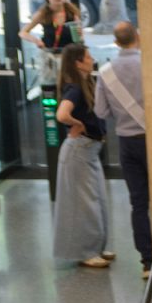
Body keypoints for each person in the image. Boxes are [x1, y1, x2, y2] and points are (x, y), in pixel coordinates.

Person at [93, 22, 151, 278]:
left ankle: (147, 261)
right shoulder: (148, 65)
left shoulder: (105, 73)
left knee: (138, 203)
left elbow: (101, 112)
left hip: (126, 142)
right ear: (137, 37)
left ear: (115, 42)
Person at [52, 43, 112, 269]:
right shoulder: (75, 88)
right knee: (84, 203)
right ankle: (86, 251)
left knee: (96, 200)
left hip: (88, 151)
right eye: (87, 56)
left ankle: (96, 246)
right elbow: (61, 115)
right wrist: (77, 124)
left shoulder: (85, 83)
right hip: (79, 150)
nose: (92, 58)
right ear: (78, 62)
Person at [21, 0, 80, 84]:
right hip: (49, 57)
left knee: (69, 85)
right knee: (50, 87)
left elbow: (78, 39)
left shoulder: (72, 14)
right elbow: (23, 32)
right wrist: (36, 41)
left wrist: (78, 35)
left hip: (68, 57)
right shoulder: (43, 14)